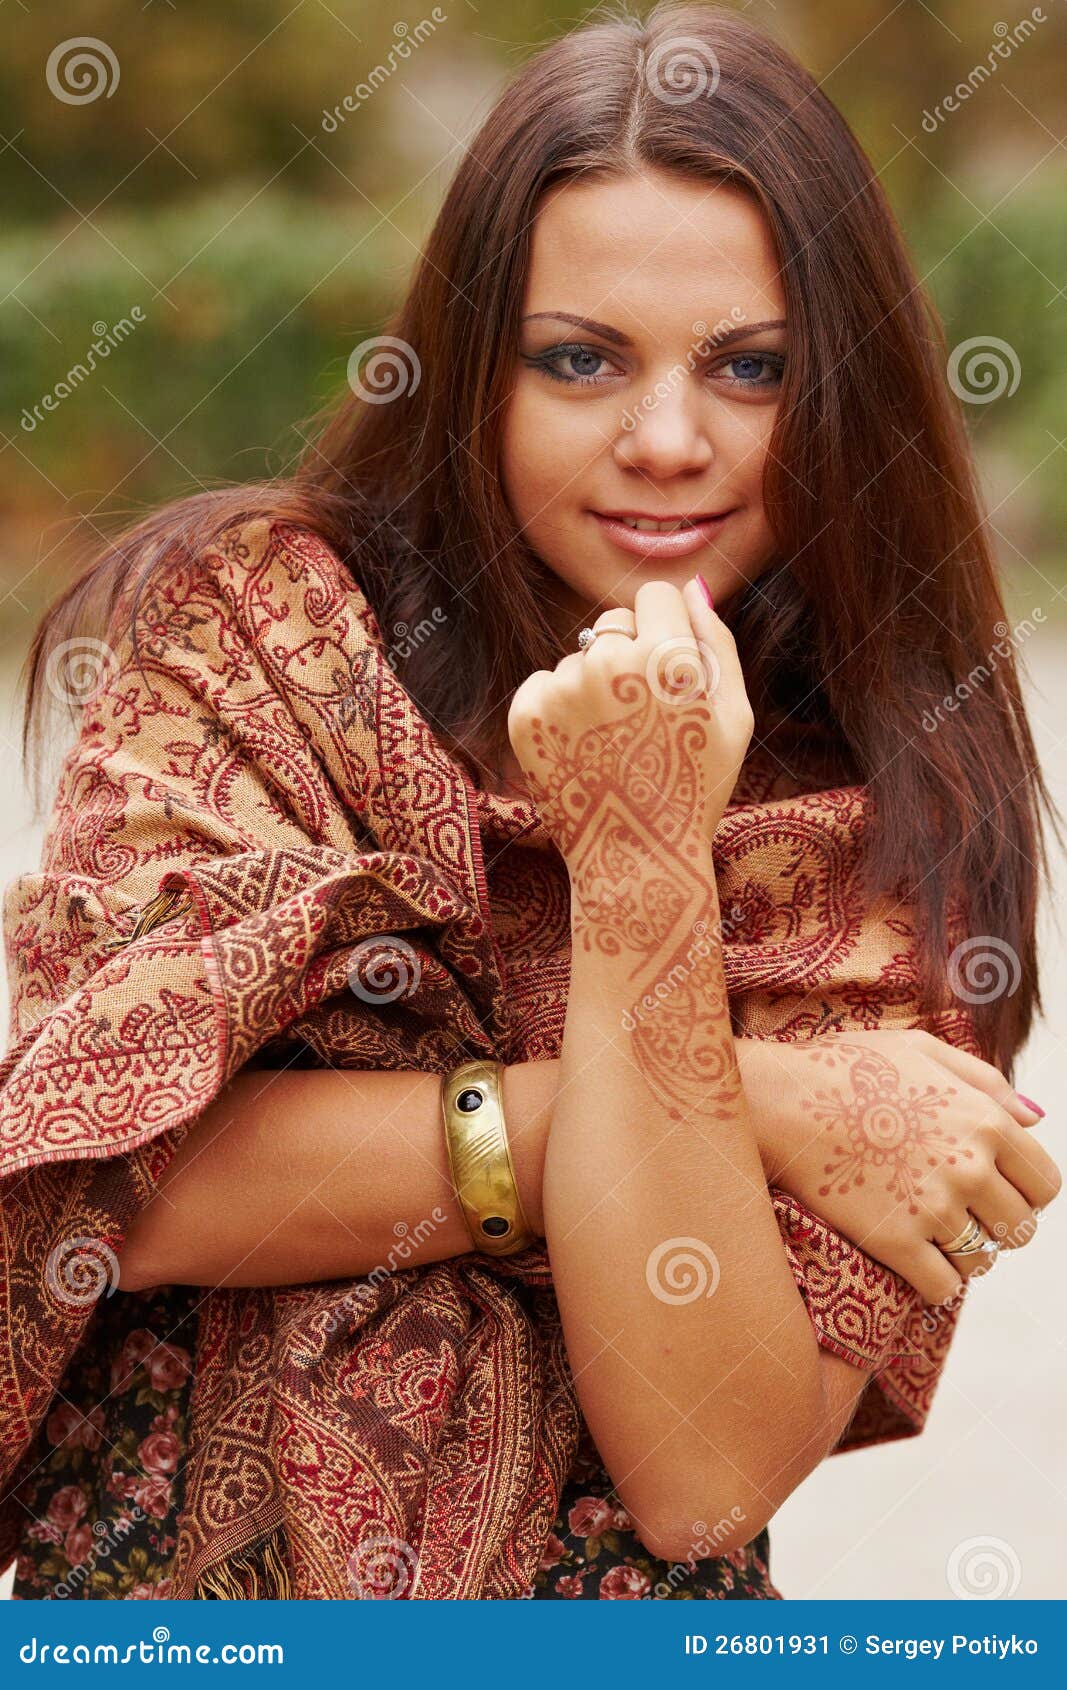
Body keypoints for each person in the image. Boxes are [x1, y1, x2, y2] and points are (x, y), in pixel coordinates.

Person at [0, 2, 1060, 1601]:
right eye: (581, 359)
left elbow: (705, 1469)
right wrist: (752, 1105)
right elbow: (115, 1171)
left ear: (844, 388)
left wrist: (644, 861)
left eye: (751, 368)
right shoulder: (262, 643)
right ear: (474, 369)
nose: (666, 441)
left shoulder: (901, 809)